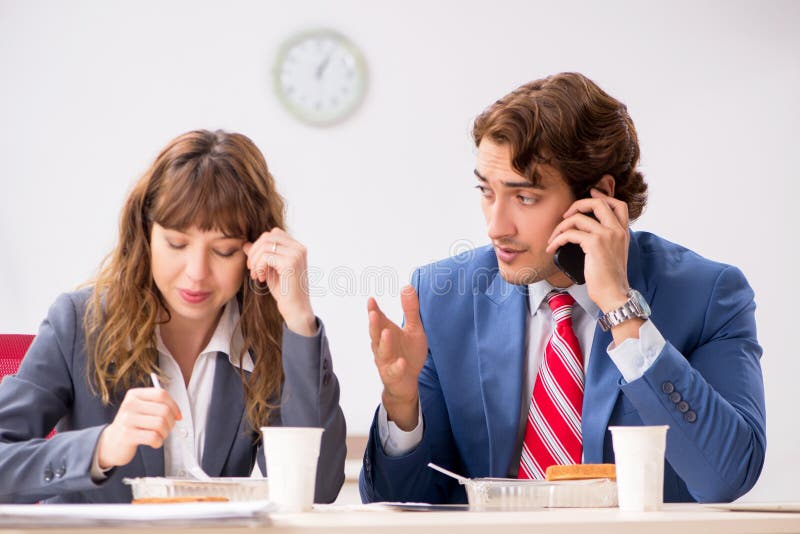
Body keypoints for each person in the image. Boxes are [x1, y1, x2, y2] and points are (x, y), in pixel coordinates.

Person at [360, 73, 765, 504]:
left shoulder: (707, 295)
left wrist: (621, 311)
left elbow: (726, 477)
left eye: (525, 198)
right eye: (486, 191)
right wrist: (401, 407)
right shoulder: (442, 299)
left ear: (599, 195)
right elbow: (401, 503)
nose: (496, 226)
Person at [0, 129, 346, 503]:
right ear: (145, 234)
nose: (196, 272)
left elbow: (318, 491)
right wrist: (101, 448)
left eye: (225, 251)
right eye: (177, 243)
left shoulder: (270, 340)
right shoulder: (78, 323)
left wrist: (298, 320)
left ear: (254, 251)